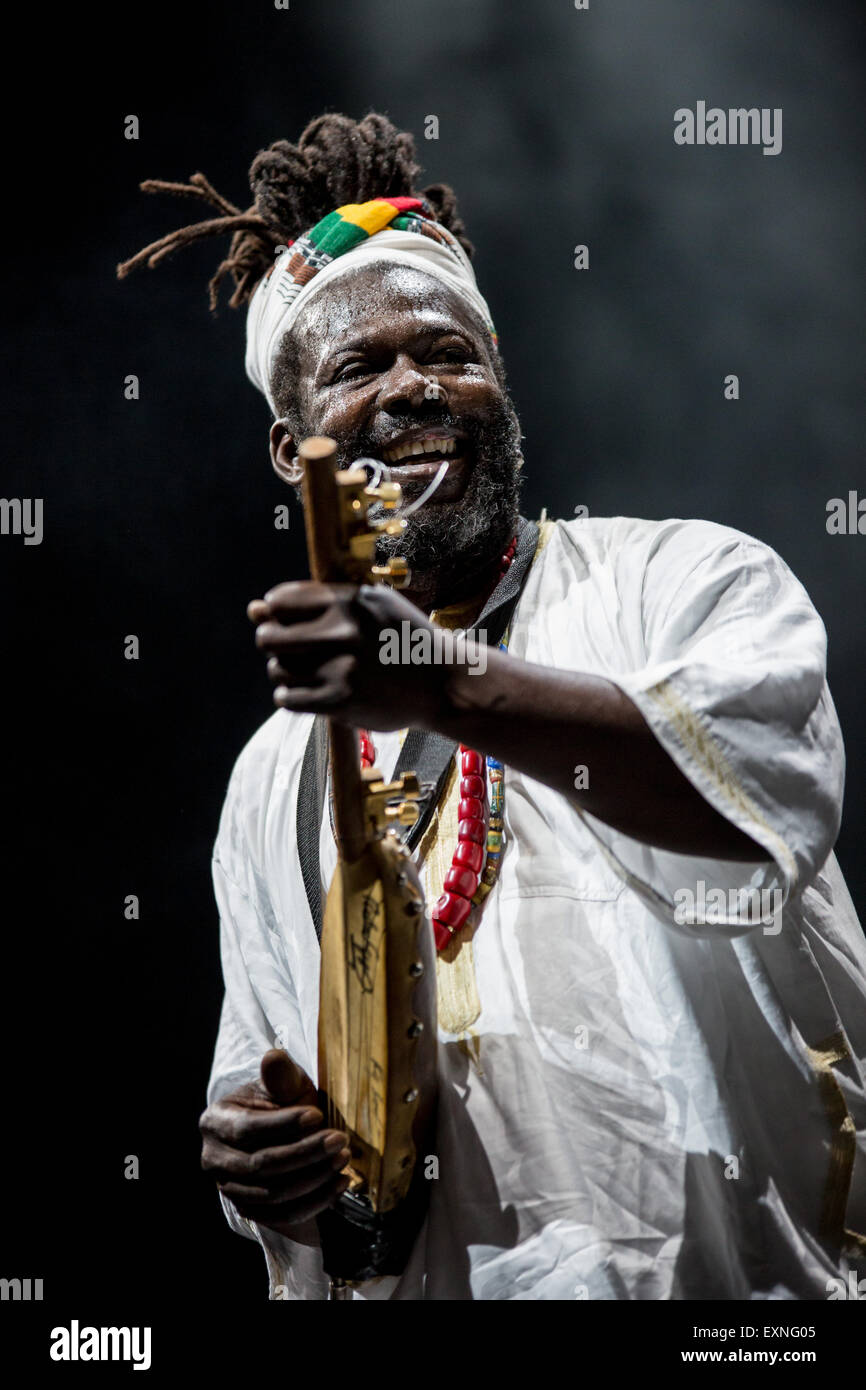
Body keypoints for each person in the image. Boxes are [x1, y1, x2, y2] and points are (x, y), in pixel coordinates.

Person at [119, 112, 866, 1300]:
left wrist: (440, 681)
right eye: (361, 368)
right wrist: (256, 1155)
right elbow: (268, 1074)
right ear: (287, 448)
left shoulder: (679, 581)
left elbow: (755, 805)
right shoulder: (274, 773)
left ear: (500, 387)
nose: (416, 385)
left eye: (448, 353)